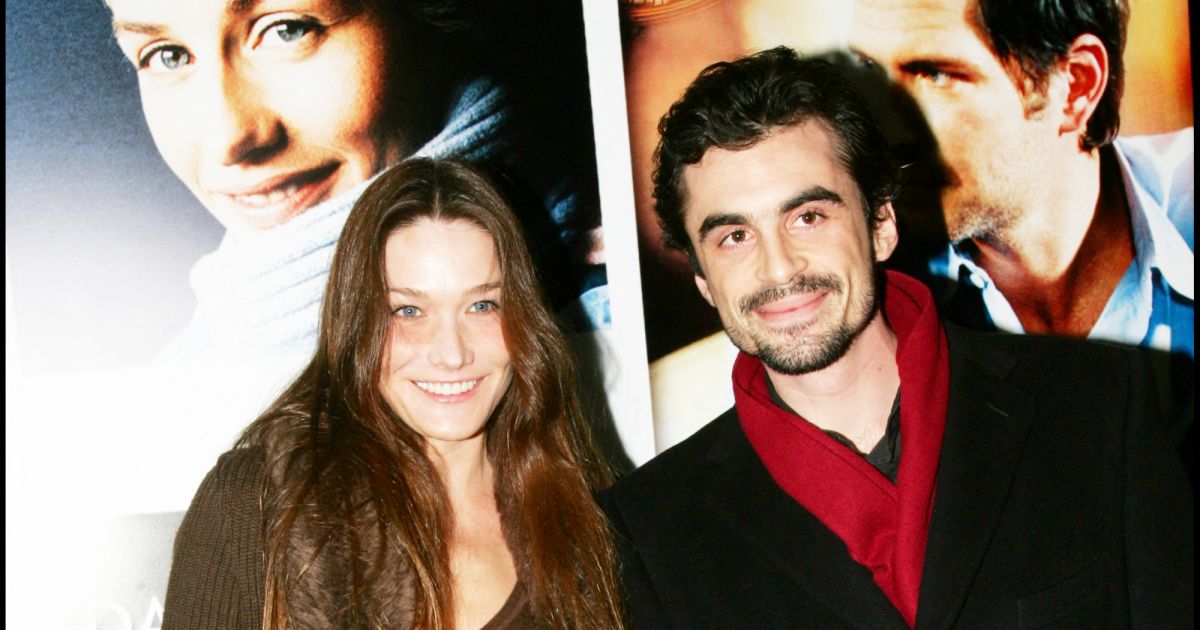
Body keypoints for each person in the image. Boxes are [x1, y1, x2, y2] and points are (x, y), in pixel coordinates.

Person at [600, 47, 1192, 628]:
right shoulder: (650, 530)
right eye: (734, 236)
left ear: (881, 226)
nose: (778, 268)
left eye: (808, 217)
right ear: (703, 279)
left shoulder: (1098, 405)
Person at [161, 159, 623, 628]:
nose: (451, 353)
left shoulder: (582, 508)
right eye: (408, 310)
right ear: (358, 323)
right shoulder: (255, 504)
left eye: (482, 305)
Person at [106, 0, 607, 362]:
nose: (227, 139)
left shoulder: (621, 320)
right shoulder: (169, 391)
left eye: (286, 30)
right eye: (167, 56)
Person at [849, 0, 1193, 463]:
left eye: (935, 75)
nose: (883, 133)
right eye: (868, 69)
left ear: (1075, 86)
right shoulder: (863, 296)